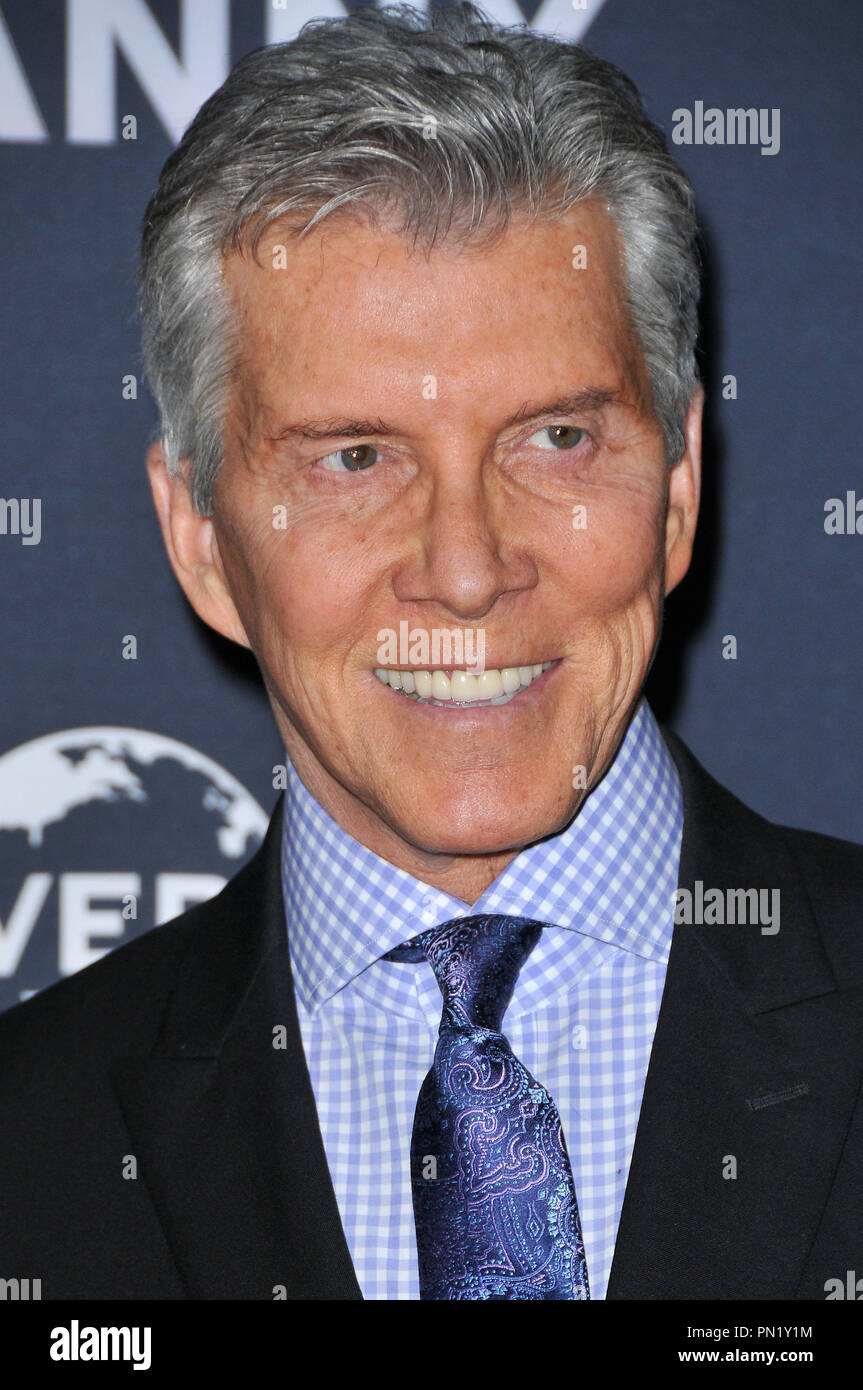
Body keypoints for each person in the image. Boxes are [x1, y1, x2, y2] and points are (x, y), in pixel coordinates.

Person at [1, 2, 860, 1301]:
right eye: (356, 458)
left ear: (678, 488)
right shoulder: (27, 1147)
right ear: (198, 536)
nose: (466, 569)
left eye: (556, 439)